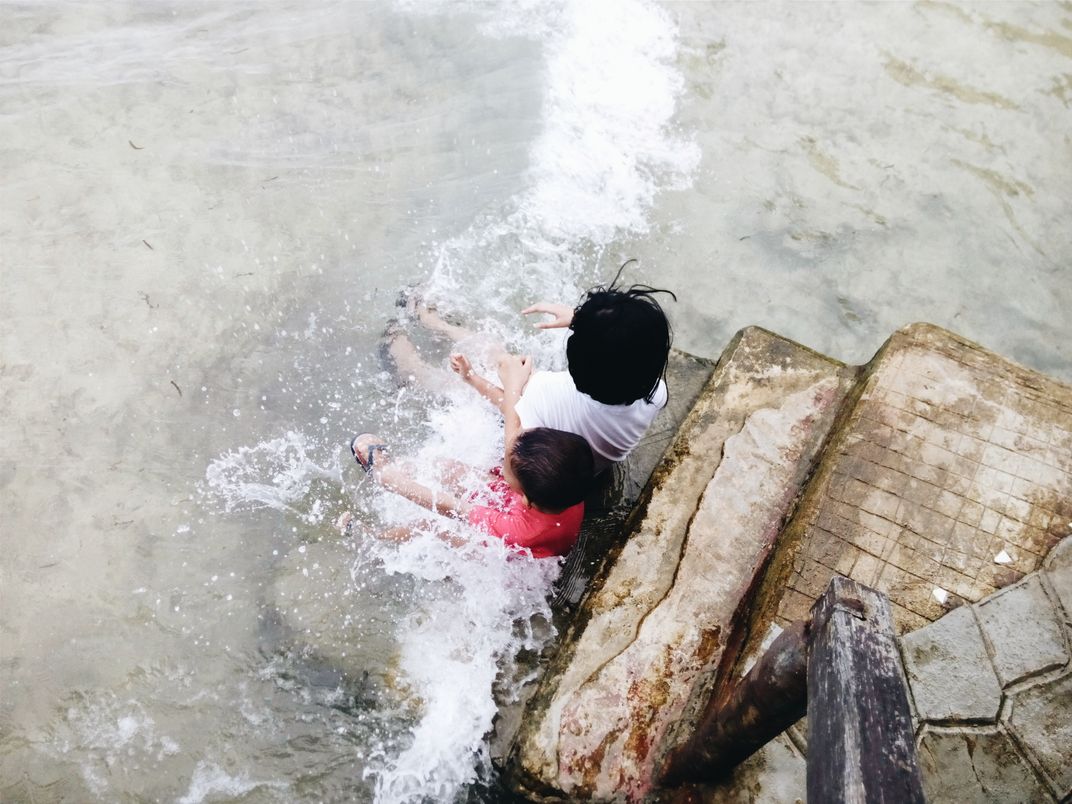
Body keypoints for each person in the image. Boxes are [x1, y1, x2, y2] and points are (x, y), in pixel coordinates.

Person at [343, 354, 595, 559]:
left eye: (507, 463)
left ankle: (375, 541)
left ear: (525, 498)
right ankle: (397, 471)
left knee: (431, 526)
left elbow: (447, 505)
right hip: (540, 513)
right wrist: (471, 377)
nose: (509, 446)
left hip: (518, 558)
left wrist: (389, 481)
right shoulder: (566, 472)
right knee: (448, 469)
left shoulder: (520, 532)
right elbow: (512, 413)